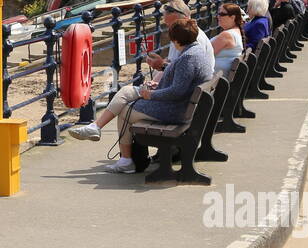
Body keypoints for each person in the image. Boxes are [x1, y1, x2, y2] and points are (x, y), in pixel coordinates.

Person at [67, 19, 212, 173]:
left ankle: (125, 160)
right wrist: (162, 68)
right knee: (126, 92)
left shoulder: (188, 57)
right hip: (182, 106)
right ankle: (95, 128)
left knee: (124, 112)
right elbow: (182, 81)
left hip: (174, 110)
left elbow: (177, 91)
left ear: (175, 40)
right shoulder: (196, 52)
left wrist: (151, 94)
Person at [145, 1, 214, 73]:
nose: (170, 29)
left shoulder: (193, 39)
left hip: (194, 83)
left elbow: (186, 72)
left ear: (186, 19)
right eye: (168, 25)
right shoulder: (179, 34)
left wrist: (161, 66)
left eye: (173, 25)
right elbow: (173, 62)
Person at [211, 3, 245, 75]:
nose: (218, 16)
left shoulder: (227, 35)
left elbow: (206, 55)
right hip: (221, 76)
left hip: (215, 79)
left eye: (222, 14)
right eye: (218, 13)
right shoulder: (236, 30)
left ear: (232, 17)